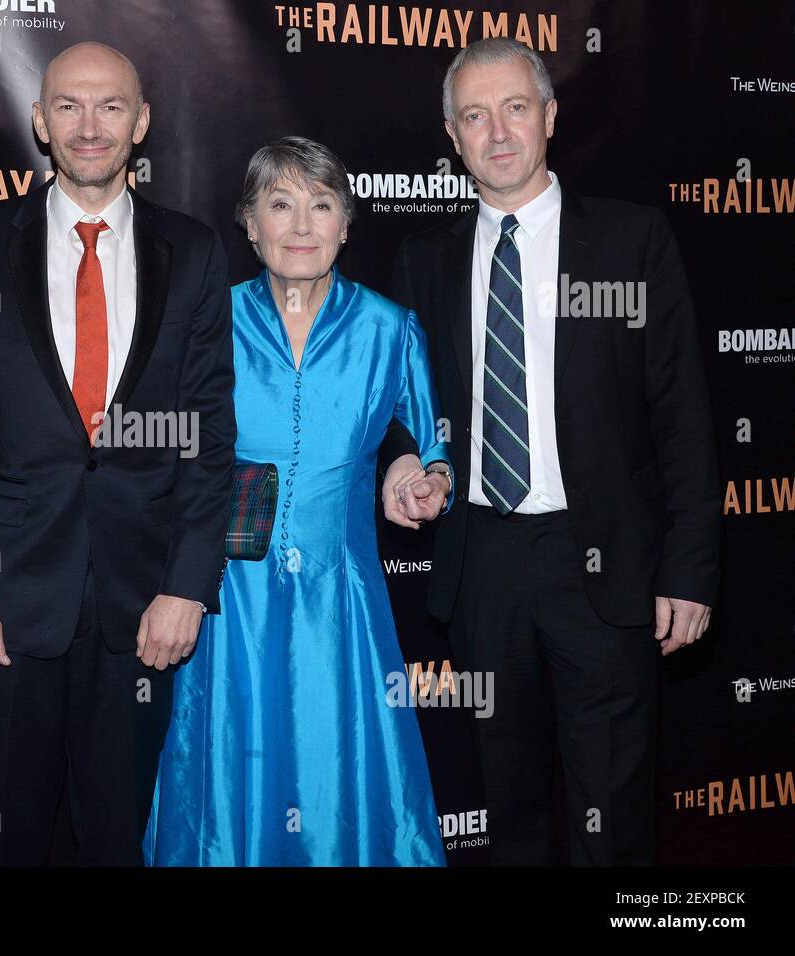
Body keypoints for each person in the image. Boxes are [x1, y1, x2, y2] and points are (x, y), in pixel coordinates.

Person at [381, 37, 720, 865]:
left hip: (604, 568)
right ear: (453, 137)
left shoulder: (631, 242)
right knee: (511, 811)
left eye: (516, 108)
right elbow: (402, 407)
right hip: (485, 566)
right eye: (474, 115)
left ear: (551, 117)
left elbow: (683, 415)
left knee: (613, 817)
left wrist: (689, 570)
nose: (497, 132)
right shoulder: (423, 264)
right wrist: (400, 460)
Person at [0, 42, 236, 865]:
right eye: (68, 105)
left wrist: (188, 586)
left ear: (142, 123)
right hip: (5, 607)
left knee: (117, 842)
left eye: (110, 107)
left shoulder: (195, 251)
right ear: (39, 121)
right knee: (9, 844)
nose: (89, 125)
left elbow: (211, 438)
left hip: (142, 612)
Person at [145, 137, 451, 866]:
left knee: (338, 773)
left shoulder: (390, 328)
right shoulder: (205, 320)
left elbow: (430, 444)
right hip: (227, 603)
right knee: (234, 773)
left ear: (347, 224)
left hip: (342, 604)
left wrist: (419, 475)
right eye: (280, 205)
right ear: (249, 226)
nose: (303, 224)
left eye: (322, 205)